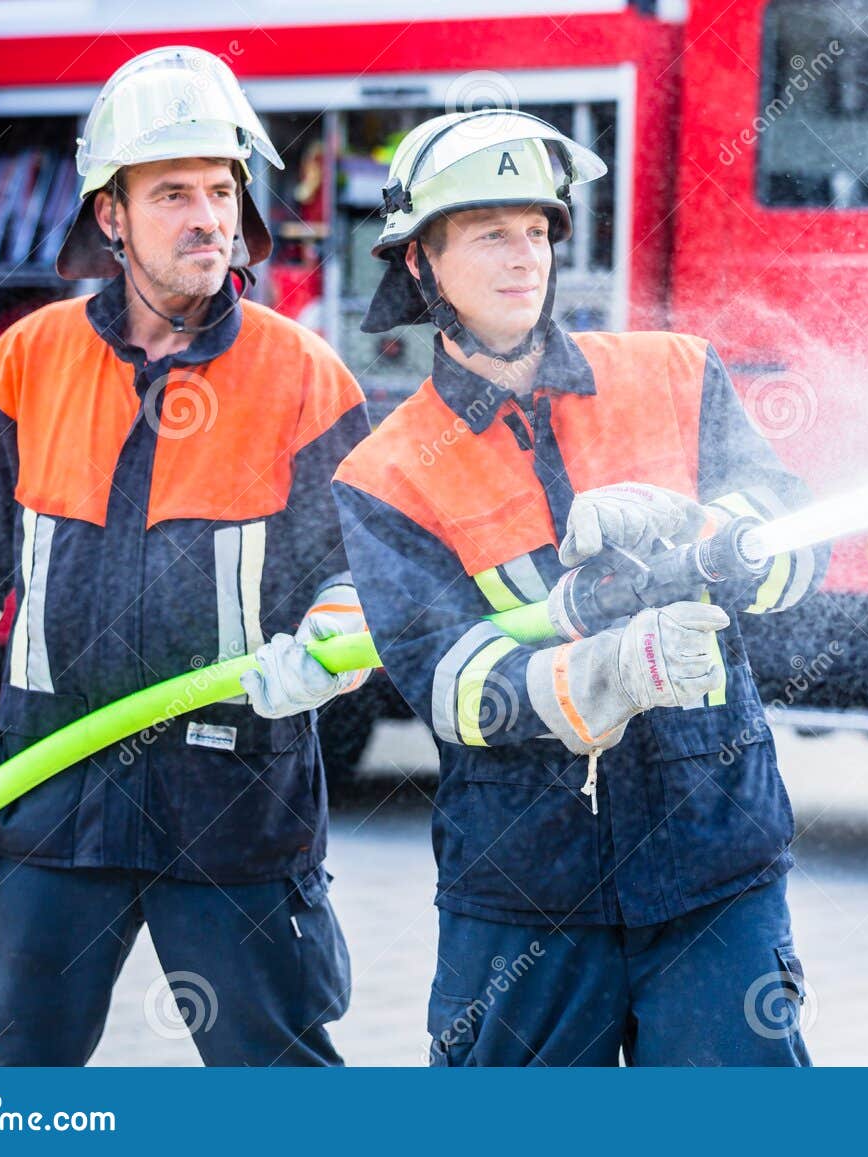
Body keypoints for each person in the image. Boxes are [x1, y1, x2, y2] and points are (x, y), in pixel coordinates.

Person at [0, 46, 369, 1066]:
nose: (207, 217)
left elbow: (357, 574)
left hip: (239, 808)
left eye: (221, 190)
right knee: (7, 1079)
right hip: (55, 799)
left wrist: (327, 650)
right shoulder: (27, 363)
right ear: (111, 214)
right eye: (173, 192)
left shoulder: (303, 376)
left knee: (281, 1084)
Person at [331, 110, 828, 1066]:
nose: (525, 255)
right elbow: (449, 682)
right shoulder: (388, 473)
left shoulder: (673, 373)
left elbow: (801, 547)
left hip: (713, 867)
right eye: (490, 233)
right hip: (526, 897)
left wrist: (705, 531)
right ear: (420, 263)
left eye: (537, 228)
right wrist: (611, 674)